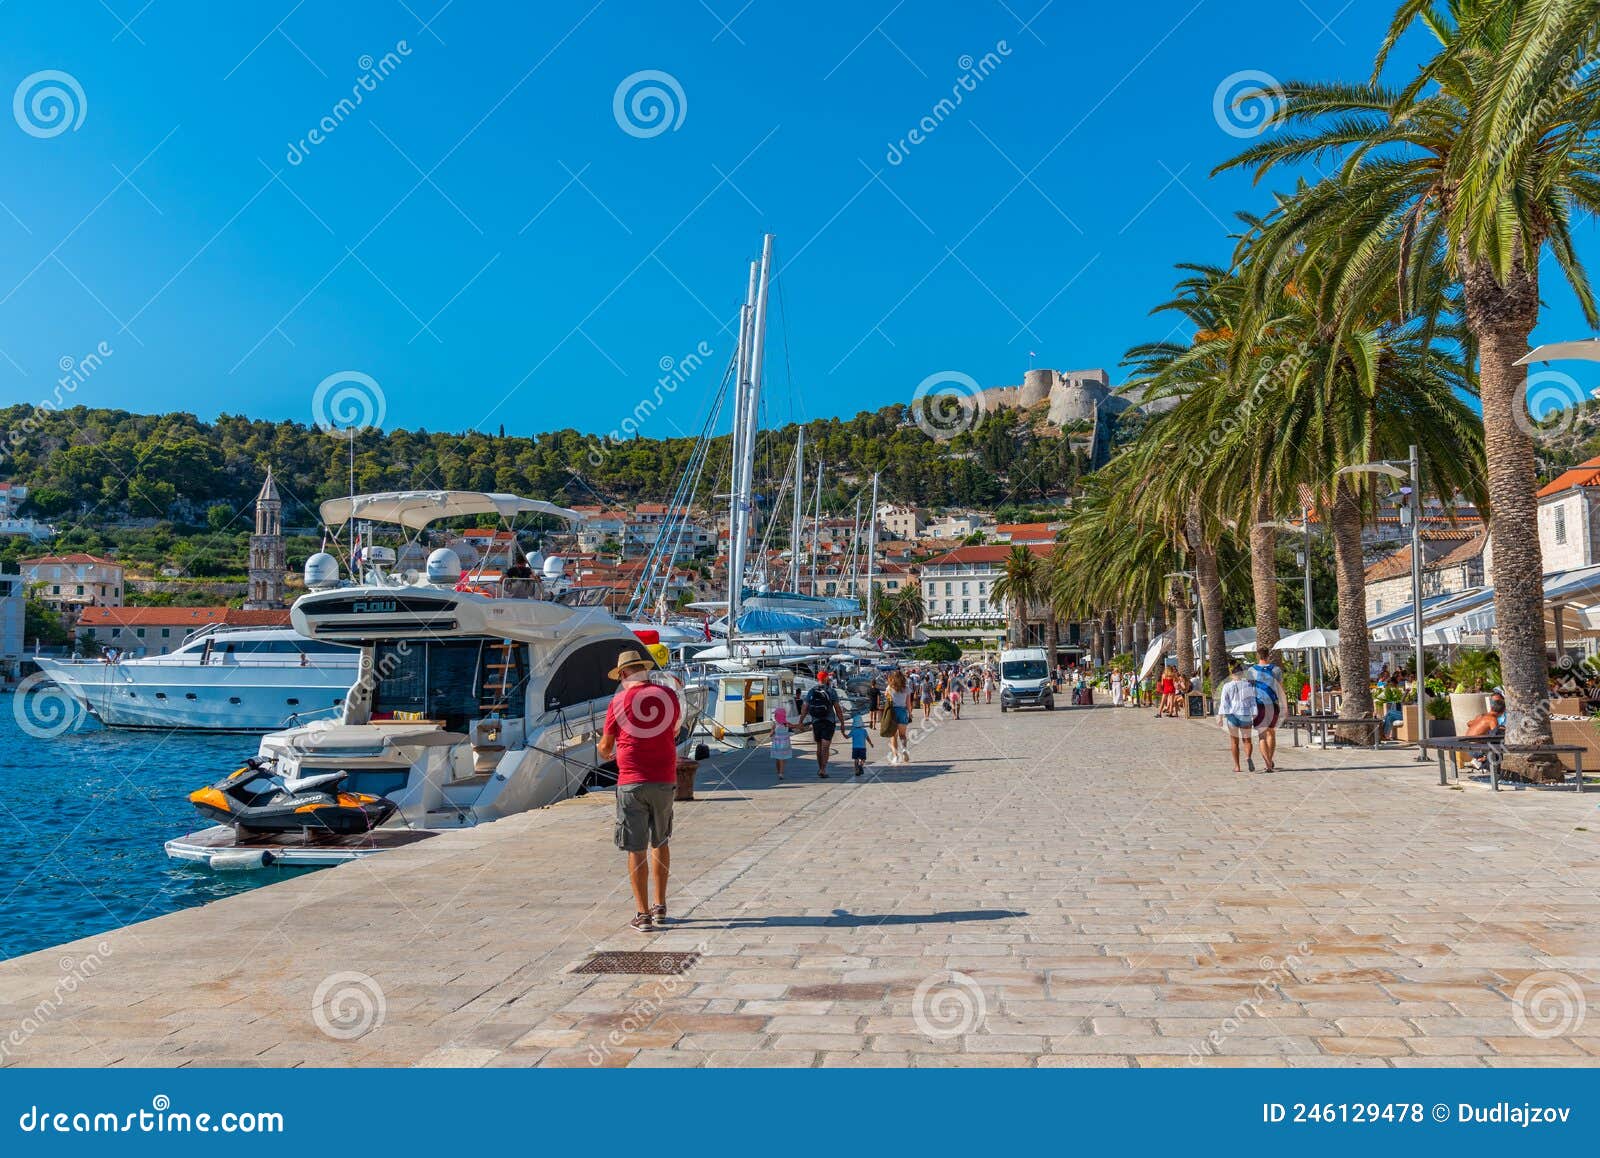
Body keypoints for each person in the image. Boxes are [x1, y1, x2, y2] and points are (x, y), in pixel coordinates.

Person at [597, 649, 682, 934]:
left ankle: (642, 913)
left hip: (631, 781)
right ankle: (660, 906)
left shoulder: (618, 701)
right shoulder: (668, 696)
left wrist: (607, 749)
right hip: (664, 778)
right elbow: (672, 732)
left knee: (635, 847)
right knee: (661, 841)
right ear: (644, 671)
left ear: (623, 675)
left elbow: (606, 747)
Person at [1245, 646, 1284, 774]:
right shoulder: (1276, 670)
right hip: (1273, 704)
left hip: (1259, 705)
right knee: (1271, 733)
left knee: (1262, 736)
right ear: (1268, 656)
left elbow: (1249, 690)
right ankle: (1270, 761)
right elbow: (1280, 689)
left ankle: (1267, 763)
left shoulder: (1251, 670)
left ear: (1258, 655)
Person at [804, 671, 848, 778]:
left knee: (819, 746)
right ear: (825, 679)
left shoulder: (812, 691)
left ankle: (821, 768)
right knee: (825, 746)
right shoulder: (831, 691)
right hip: (828, 721)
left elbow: (805, 707)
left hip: (816, 722)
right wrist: (842, 723)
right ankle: (823, 769)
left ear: (818, 679)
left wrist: (801, 721)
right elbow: (837, 709)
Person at [1217, 660, 1258, 773]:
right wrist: (1254, 714)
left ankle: (1237, 766)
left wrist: (1220, 717)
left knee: (1234, 742)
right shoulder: (1248, 685)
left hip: (1232, 715)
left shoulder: (1227, 686)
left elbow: (1223, 702)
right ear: (1241, 675)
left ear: (1232, 675)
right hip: (1245, 714)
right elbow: (1252, 701)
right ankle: (1248, 757)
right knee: (1247, 740)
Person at [886, 669, 912, 764]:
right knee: (902, 735)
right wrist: (910, 713)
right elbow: (908, 704)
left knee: (893, 735)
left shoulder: (889, 688)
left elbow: (887, 700)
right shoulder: (906, 688)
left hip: (892, 713)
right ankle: (904, 748)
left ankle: (895, 756)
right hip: (902, 711)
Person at [770, 707, 793, 779]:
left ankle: (778, 771)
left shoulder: (775, 724)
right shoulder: (786, 724)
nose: (774, 716)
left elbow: (771, 734)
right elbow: (794, 726)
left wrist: (772, 733)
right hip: (785, 743)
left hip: (777, 744)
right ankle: (781, 773)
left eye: (775, 715)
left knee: (778, 758)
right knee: (782, 758)